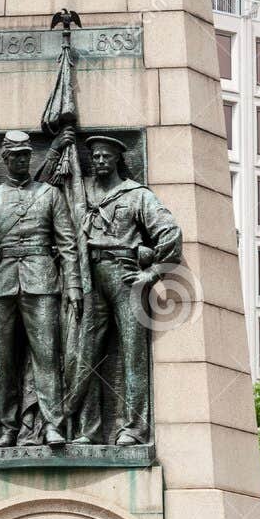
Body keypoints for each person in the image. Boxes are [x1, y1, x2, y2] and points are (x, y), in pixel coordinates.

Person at [0, 130, 81, 447]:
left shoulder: (50, 195)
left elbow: (67, 244)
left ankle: (52, 425)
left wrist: (74, 285)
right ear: (6, 159)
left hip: (42, 283)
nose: (24, 159)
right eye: (17, 156)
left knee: (47, 357)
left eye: (27, 154)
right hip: (0, 287)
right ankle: (8, 428)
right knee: (2, 363)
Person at [70, 134, 182, 446]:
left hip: (125, 277)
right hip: (89, 276)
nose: (100, 161)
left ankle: (133, 428)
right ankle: (86, 430)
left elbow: (170, 233)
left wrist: (152, 273)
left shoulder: (136, 196)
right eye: (95, 156)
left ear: (118, 158)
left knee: (133, 354)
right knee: (86, 354)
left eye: (106, 156)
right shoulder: (82, 193)